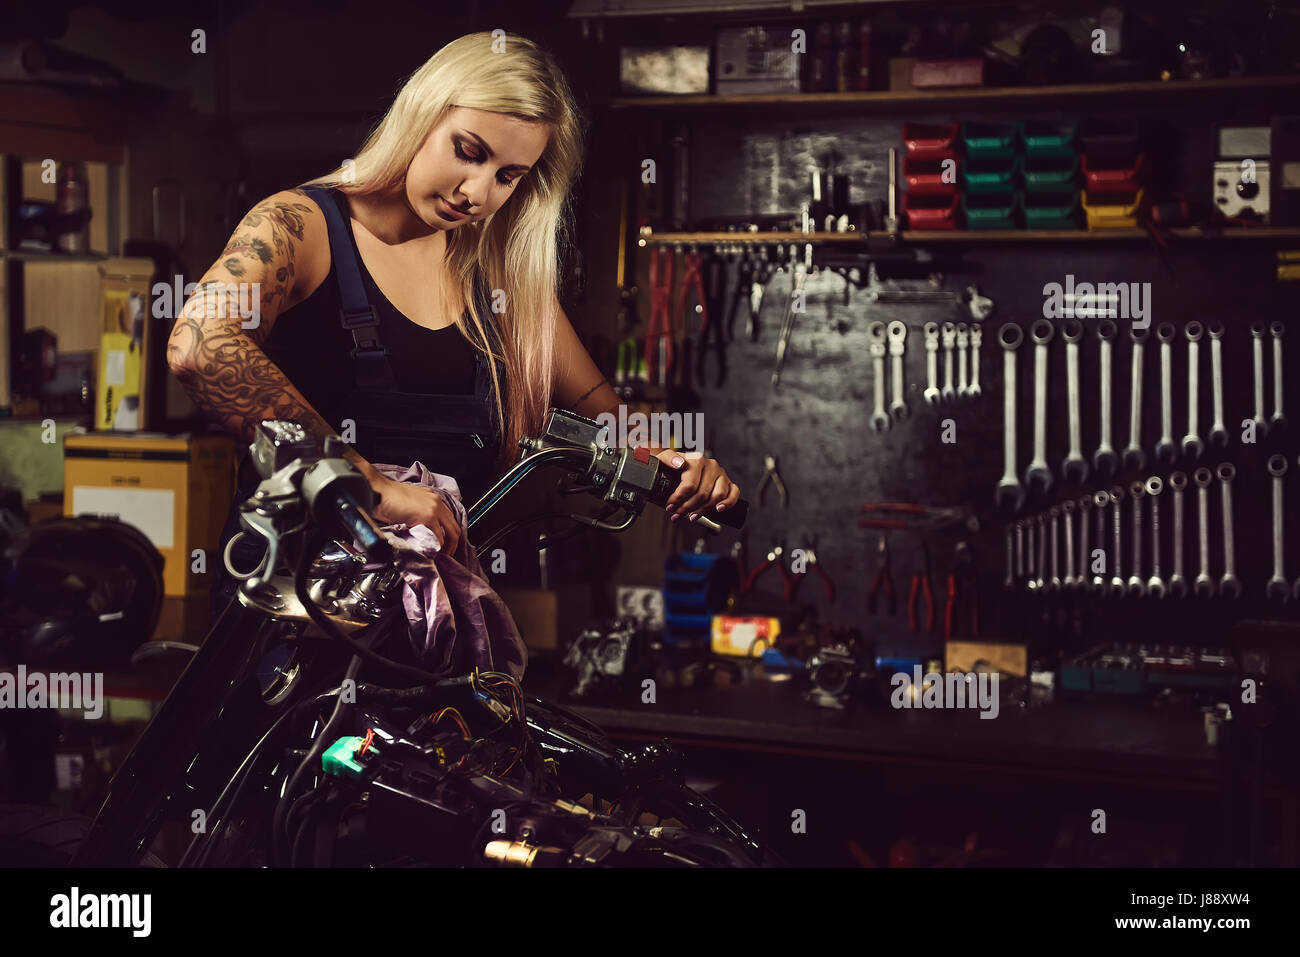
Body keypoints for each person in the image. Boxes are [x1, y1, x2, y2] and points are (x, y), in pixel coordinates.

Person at [165, 31, 741, 624]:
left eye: (508, 175)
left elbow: (603, 414)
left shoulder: (496, 270)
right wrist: (367, 483)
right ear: (422, 113)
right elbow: (199, 344)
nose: (478, 193)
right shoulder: (300, 225)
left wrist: (672, 460)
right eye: (468, 151)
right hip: (292, 611)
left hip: (428, 615)